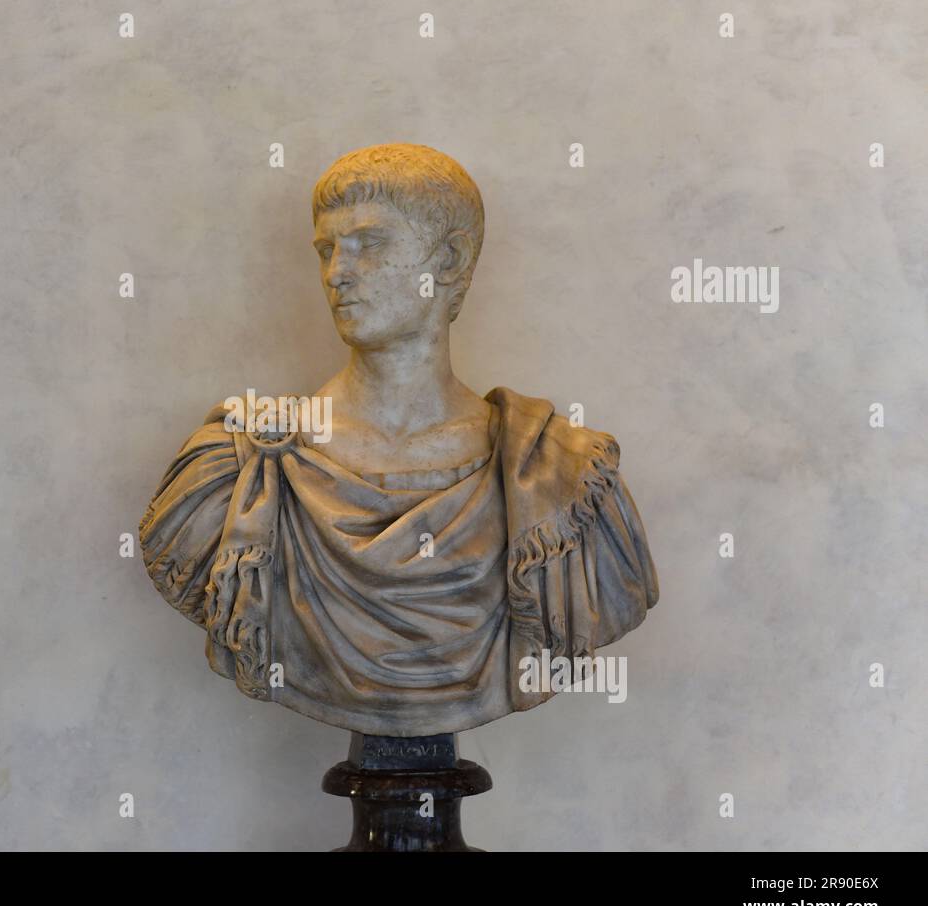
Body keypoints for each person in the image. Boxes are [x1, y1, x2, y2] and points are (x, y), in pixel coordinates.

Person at [139, 143, 658, 736]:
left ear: (450, 259)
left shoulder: (560, 475)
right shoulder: (236, 468)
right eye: (327, 250)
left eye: (370, 243)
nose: (337, 272)